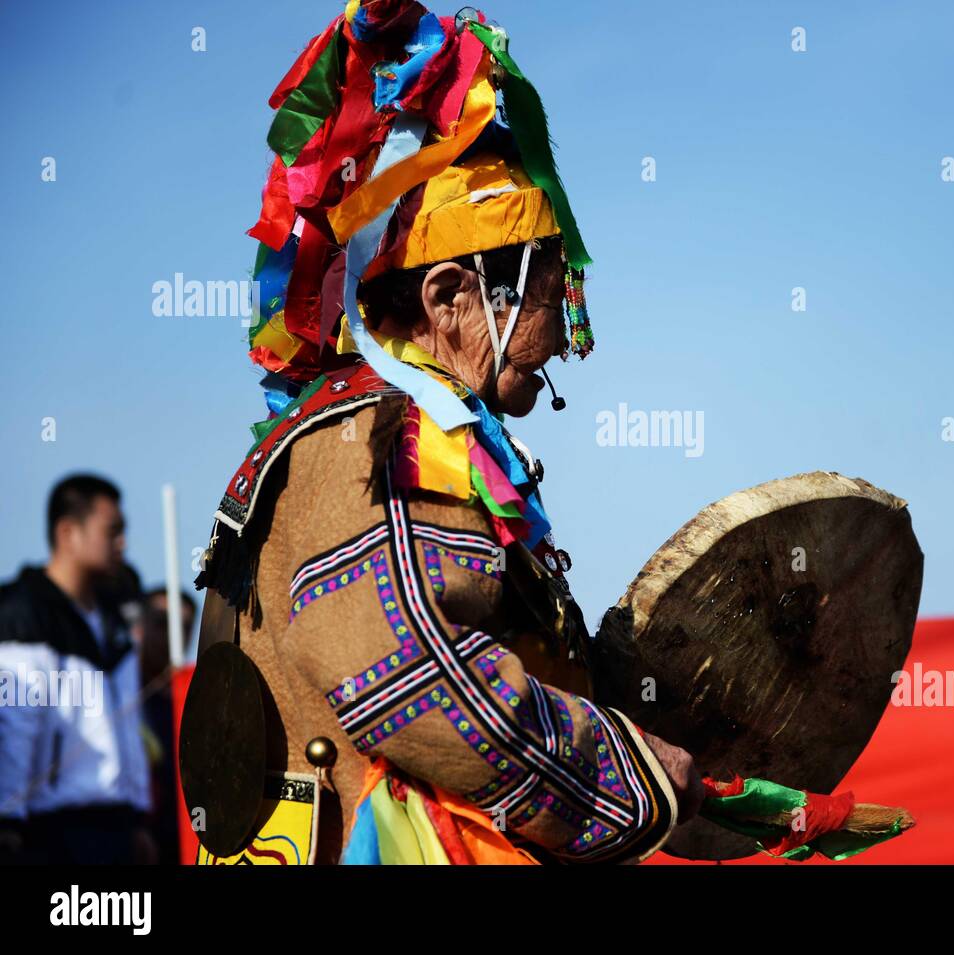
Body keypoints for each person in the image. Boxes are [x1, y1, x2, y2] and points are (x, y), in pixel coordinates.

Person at [185, 2, 704, 865]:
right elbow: (410, 676)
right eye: (549, 292)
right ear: (452, 297)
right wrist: (630, 773)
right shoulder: (388, 437)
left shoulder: (364, 426)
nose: (564, 337)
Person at [0, 474, 154, 863]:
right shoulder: (24, 612)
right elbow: (16, 728)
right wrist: (7, 824)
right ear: (68, 532)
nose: (123, 544)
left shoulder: (115, 624)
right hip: (50, 833)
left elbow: (129, 730)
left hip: (118, 830)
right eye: (112, 531)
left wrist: (138, 817)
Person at [136, 588, 196, 864]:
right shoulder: (117, 693)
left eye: (183, 626)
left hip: (186, 835)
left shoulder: (198, 696)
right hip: (137, 838)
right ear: (139, 627)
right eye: (162, 623)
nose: (172, 634)